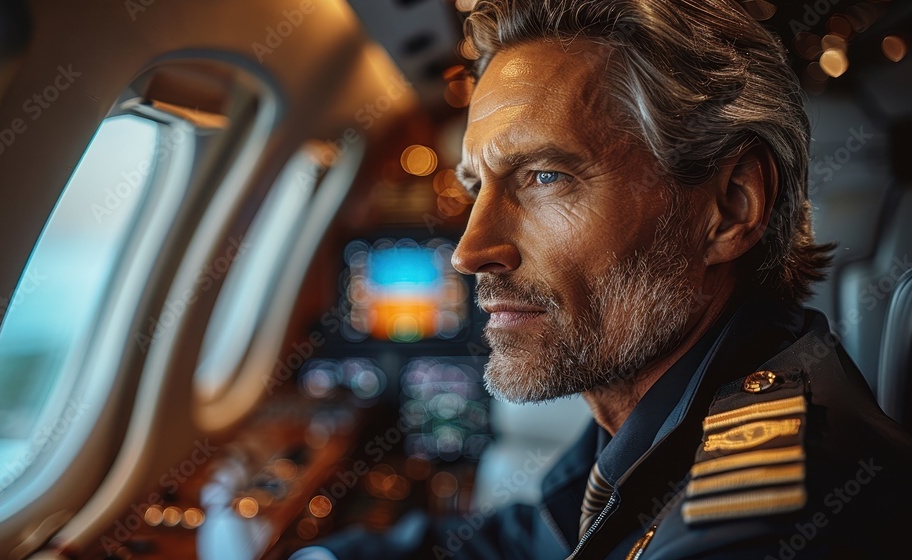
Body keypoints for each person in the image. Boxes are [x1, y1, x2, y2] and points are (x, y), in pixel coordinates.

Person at [291, 0, 912, 558]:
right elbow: (529, 543)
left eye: (544, 177)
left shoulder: (764, 524)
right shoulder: (654, 413)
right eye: (477, 188)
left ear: (731, 206)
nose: (470, 252)